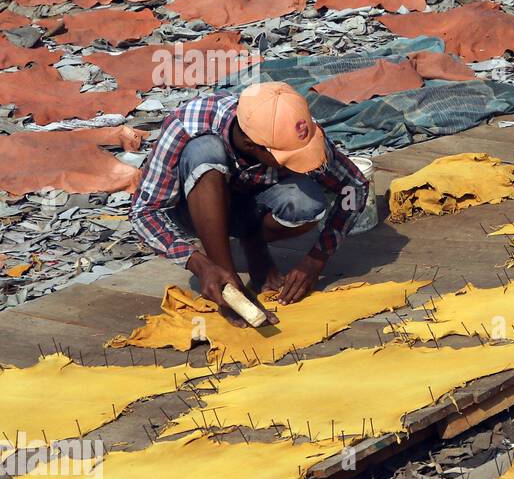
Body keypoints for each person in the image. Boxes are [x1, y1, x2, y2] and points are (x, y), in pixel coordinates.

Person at [130, 82, 369, 327]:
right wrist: (200, 265)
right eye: (288, 158)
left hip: (255, 206)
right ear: (249, 144)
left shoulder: (298, 127)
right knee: (205, 152)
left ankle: (253, 242)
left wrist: (317, 258)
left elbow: (354, 187)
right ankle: (226, 279)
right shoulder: (187, 123)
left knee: (307, 203)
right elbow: (143, 212)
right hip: (194, 210)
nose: (297, 161)